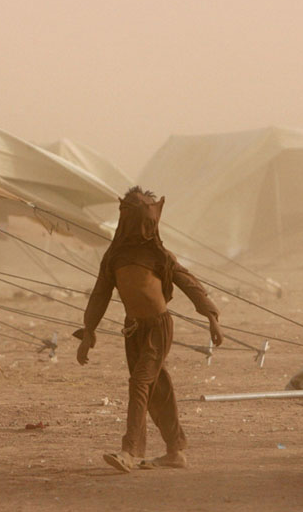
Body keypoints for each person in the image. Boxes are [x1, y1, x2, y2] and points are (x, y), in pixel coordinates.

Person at [76, 186, 223, 472]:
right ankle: (175, 450)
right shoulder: (114, 256)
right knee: (159, 390)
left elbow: (189, 284)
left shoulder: (159, 255)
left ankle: (129, 451)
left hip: (158, 328)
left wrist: (212, 318)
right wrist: (88, 331)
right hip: (133, 330)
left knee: (140, 383)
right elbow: (100, 294)